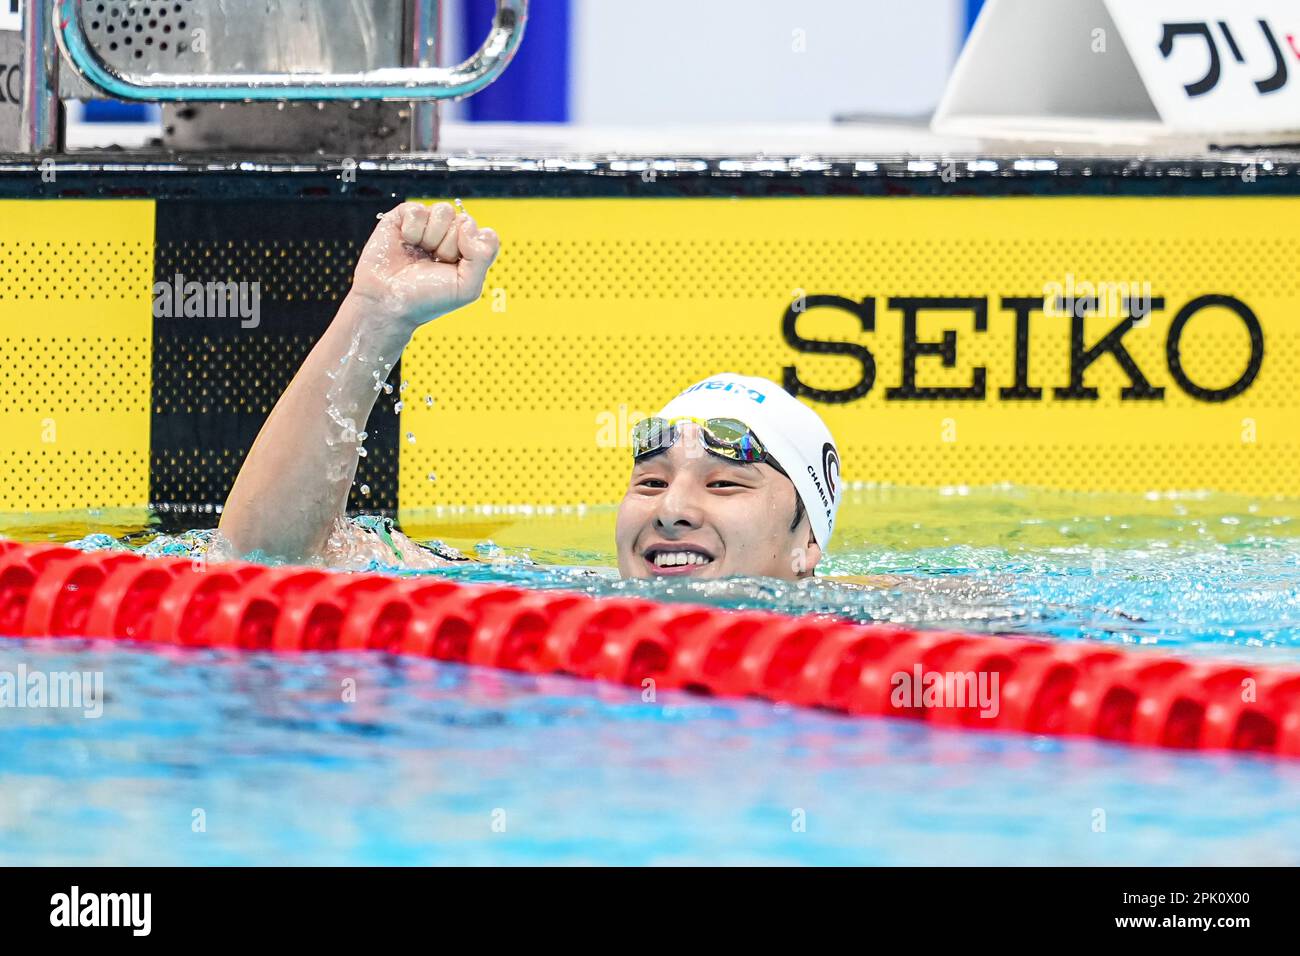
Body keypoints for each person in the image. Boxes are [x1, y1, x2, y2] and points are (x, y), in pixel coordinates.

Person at [218, 202, 855, 583]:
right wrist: (375, 316)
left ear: (807, 546)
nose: (672, 511)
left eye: (723, 484)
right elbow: (263, 560)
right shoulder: (543, 598)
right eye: (651, 482)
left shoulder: (888, 620)